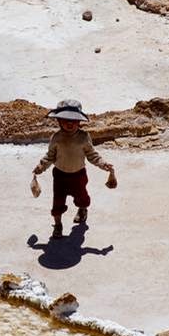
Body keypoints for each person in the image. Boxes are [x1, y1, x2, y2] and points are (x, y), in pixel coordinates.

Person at [32, 98, 113, 237]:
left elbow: (92, 155)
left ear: (79, 122)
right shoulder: (56, 138)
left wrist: (103, 164)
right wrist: (41, 166)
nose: (69, 123)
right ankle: (58, 225)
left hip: (78, 175)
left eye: (73, 120)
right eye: (65, 120)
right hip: (60, 176)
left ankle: (82, 210)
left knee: (82, 197)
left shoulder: (84, 137)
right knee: (57, 202)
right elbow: (50, 156)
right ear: (58, 121)